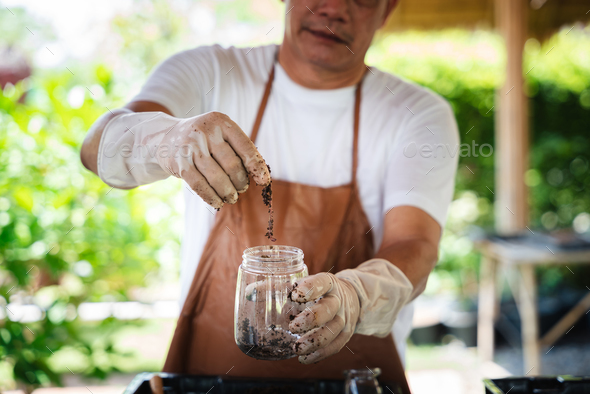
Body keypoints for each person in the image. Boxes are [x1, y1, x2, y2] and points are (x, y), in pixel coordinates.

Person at [80, 0, 458, 390]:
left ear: (387, 10)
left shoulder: (417, 113)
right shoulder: (210, 72)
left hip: (351, 378)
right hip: (210, 379)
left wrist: (356, 296)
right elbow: (95, 149)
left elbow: (415, 242)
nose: (333, 8)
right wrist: (166, 139)